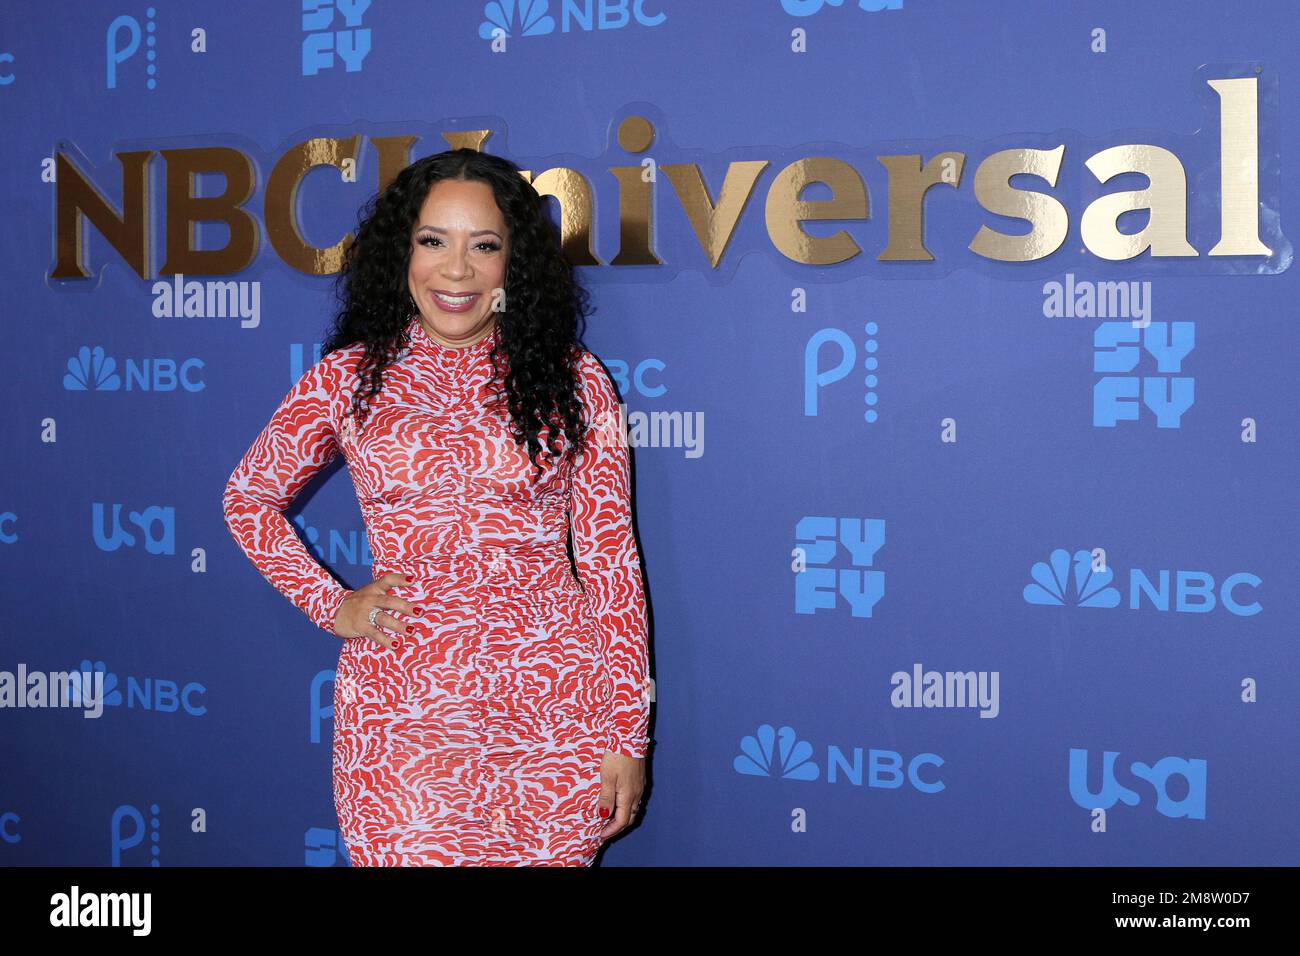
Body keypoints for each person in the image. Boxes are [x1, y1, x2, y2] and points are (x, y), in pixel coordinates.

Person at [221, 148, 652, 865]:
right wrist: (333, 606)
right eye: (433, 241)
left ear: (514, 263)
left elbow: (611, 562)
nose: (456, 270)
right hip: (403, 725)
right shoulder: (347, 380)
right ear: (402, 252)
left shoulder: (577, 382)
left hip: (553, 719)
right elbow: (249, 498)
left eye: (484, 246)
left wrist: (626, 735)